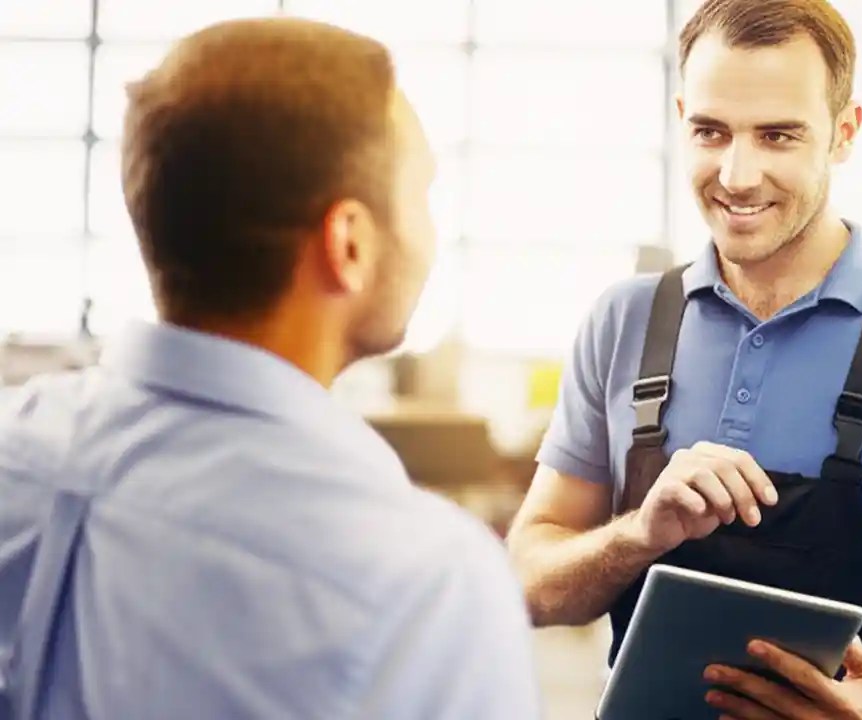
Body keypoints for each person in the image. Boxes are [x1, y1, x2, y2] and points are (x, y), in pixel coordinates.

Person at [505, 0, 862, 718]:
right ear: (681, 119)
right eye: (711, 131)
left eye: (777, 136)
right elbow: (528, 583)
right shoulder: (625, 321)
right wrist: (638, 535)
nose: (736, 175)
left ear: (843, 133)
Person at [0, 18, 540, 720]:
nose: (431, 232)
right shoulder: (426, 581)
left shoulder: (16, 447)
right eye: (422, 194)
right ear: (348, 242)